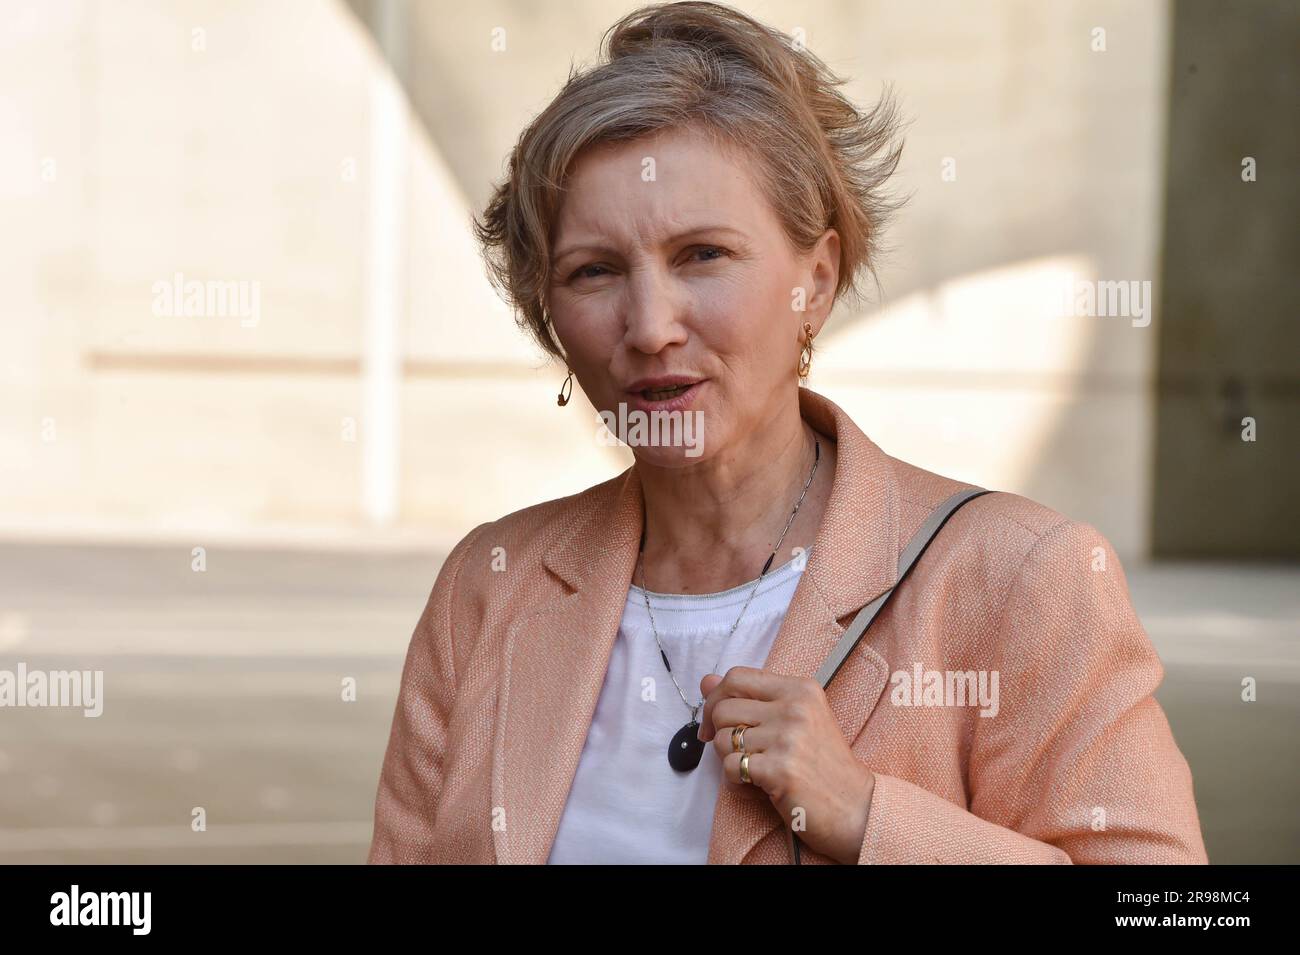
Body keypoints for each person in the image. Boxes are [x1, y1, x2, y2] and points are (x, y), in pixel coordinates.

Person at [367, 1, 1208, 864]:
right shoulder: (489, 587)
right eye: (595, 270)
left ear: (816, 276)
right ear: (548, 315)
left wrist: (867, 815)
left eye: (703, 255)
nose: (651, 324)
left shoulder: (1019, 577)